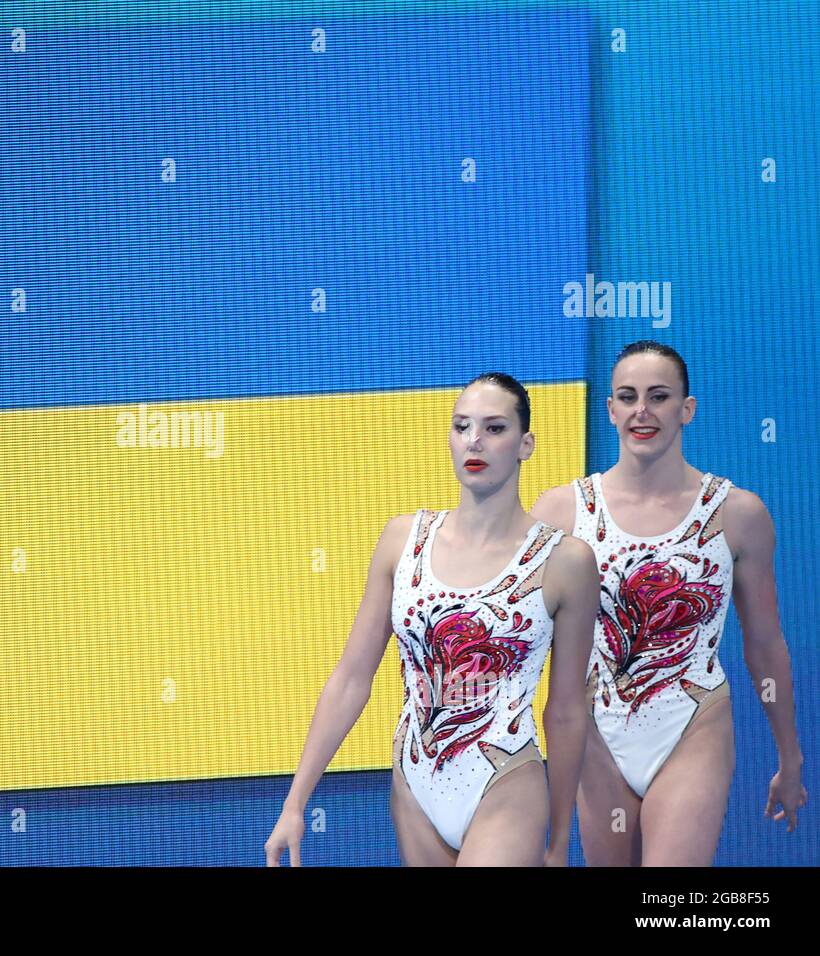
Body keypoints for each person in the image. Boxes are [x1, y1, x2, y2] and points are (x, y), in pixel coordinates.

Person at [265, 373, 598, 866]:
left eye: (494, 428)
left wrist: (559, 838)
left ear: (526, 444)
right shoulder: (403, 540)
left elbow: (567, 709)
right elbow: (352, 677)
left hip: (505, 781)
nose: (475, 441)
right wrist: (296, 802)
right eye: (462, 426)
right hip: (414, 787)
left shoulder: (566, 561)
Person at [530, 341, 807, 865]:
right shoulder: (561, 513)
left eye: (659, 397)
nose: (643, 411)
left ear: (687, 409)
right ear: (610, 409)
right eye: (628, 397)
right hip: (597, 736)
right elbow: (524, 644)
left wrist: (789, 756)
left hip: (693, 723)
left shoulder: (737, 513)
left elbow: (766, 644)